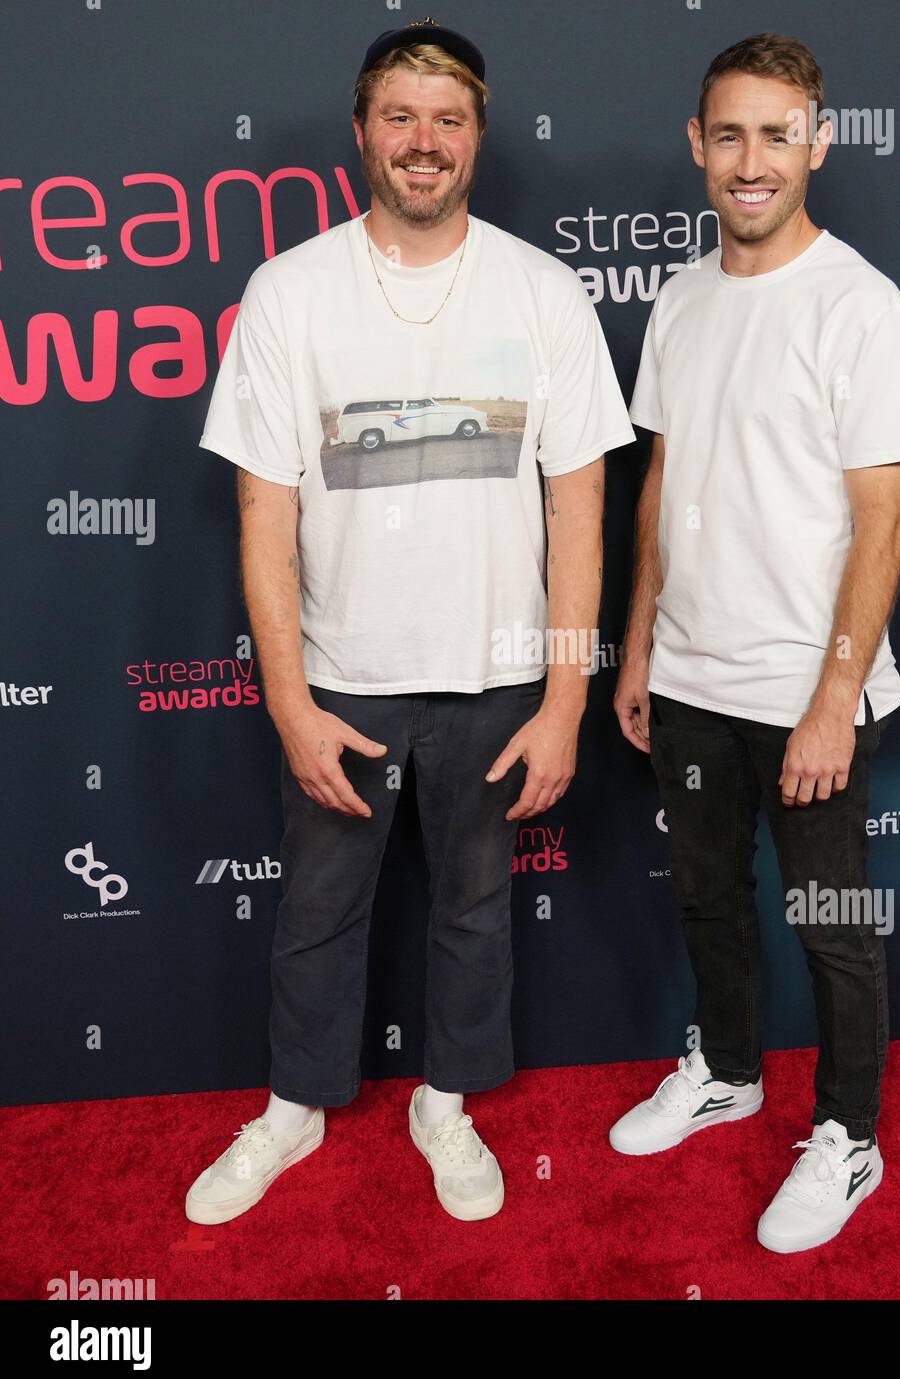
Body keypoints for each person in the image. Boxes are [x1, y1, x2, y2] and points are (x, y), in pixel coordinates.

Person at [189, 18, 634, 1225]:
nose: (422, 142)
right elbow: (261, 510)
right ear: (361, 133)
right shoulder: (287, 293)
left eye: (446, 119)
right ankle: (293, 1106)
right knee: (317, 910)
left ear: (478, 137)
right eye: (400, 117)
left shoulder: (544, 290)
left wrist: (561, 699)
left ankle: (447, 1100)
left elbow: (579, 504)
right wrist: (288, 699)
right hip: (343, 677)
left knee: (475, 908)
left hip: (499, 677)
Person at [611, 31, 900, 1254]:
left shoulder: (857, 304)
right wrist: (637, 644)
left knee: (831, 924)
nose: (753, 160)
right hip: (688, 678)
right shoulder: (680, 297)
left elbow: (884, 513)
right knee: (706, 899)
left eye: (777, 133)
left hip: (804, 688)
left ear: (819, 140)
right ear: (698, 146)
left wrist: (830, 697)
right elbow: (659, 483)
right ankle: (729, 1071)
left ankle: (847, 1134)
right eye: (729, 135)